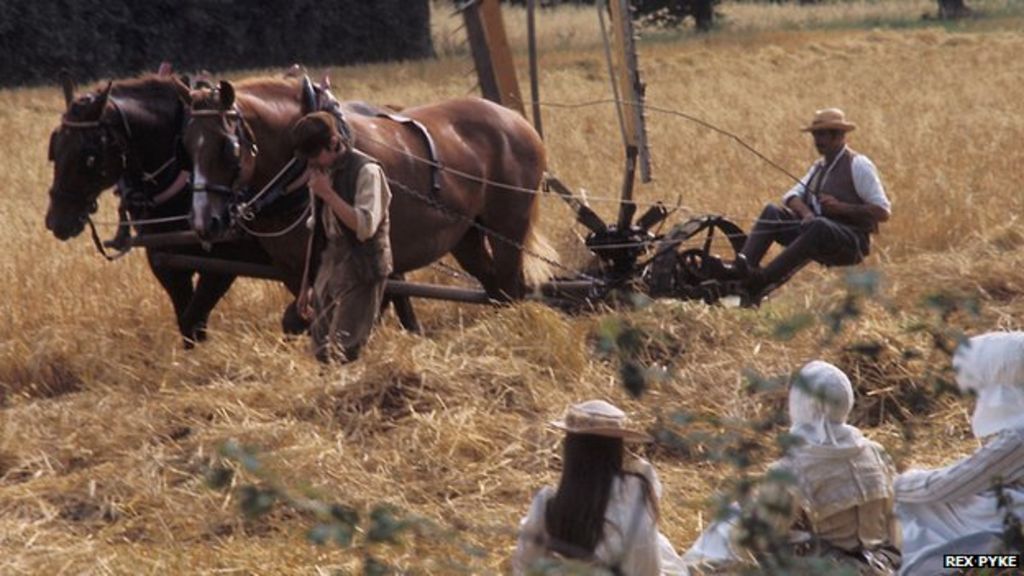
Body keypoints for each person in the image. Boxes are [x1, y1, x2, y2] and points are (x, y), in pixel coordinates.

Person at [683, 361, 901, 575]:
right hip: (881, 564)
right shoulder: (876, 453)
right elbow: (896, 523)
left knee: (728, 524)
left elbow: (759, 539)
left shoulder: (792, 469)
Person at [894, 331, 1024, 576]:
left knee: (934, 551)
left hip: (1010, 555)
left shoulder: (1017, 439)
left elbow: (950, 484)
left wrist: (893, 483)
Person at [732, 108, 891, 304]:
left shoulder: (858, 165)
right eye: (816, 134)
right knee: (772, 211)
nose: (817, 140)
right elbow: (791, 196)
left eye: (822, 134)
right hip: (815, 230)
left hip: (850, 242)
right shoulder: (819, 166)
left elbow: (883, 212)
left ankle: (760, 282)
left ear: (839, 135)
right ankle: (739, 271)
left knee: (819, 226)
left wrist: (841, 208)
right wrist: (806, 213)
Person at [513, 399, 688, 575]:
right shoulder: (637, 492)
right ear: (616, 449)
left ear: (571, 450)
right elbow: (650, 566)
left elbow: (524, 566)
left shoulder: (549, 505)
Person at [292, 111, 393, 363]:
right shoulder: (321, 172)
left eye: (316, 155)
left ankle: (343, 399)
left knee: (344, 349)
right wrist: (307, 285)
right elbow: (318, 230)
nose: (313, 162)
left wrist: (328, 194)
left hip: (362, 263)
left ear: (334, 142)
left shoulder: (366, 171)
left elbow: (364, 228)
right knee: (320, 346)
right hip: (331, 261)